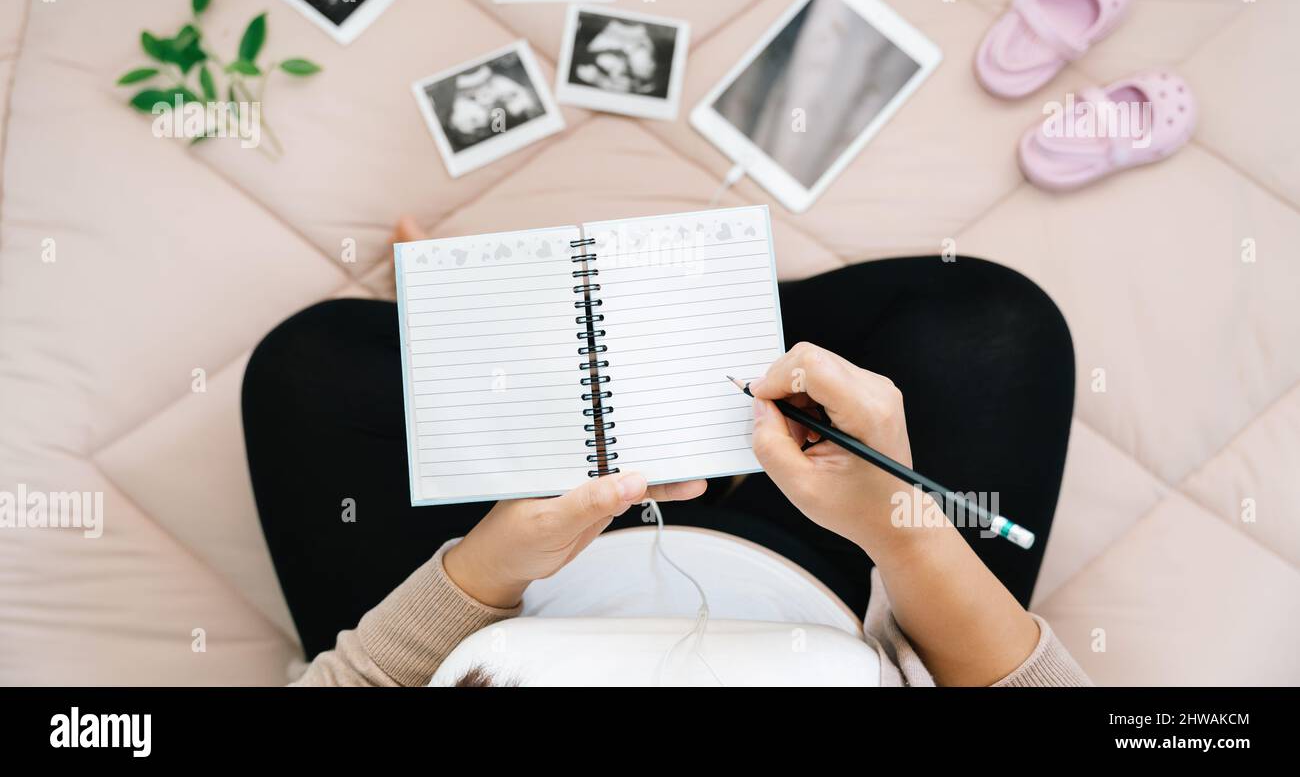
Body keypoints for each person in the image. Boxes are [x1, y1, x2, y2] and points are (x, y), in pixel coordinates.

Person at [242, 219, 1089, 686]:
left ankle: (605, 323)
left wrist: (487, 566)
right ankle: (721, 329)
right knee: (995, 323)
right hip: (830, 574)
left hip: (518, 580)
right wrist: (903, 529)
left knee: (309, 363)